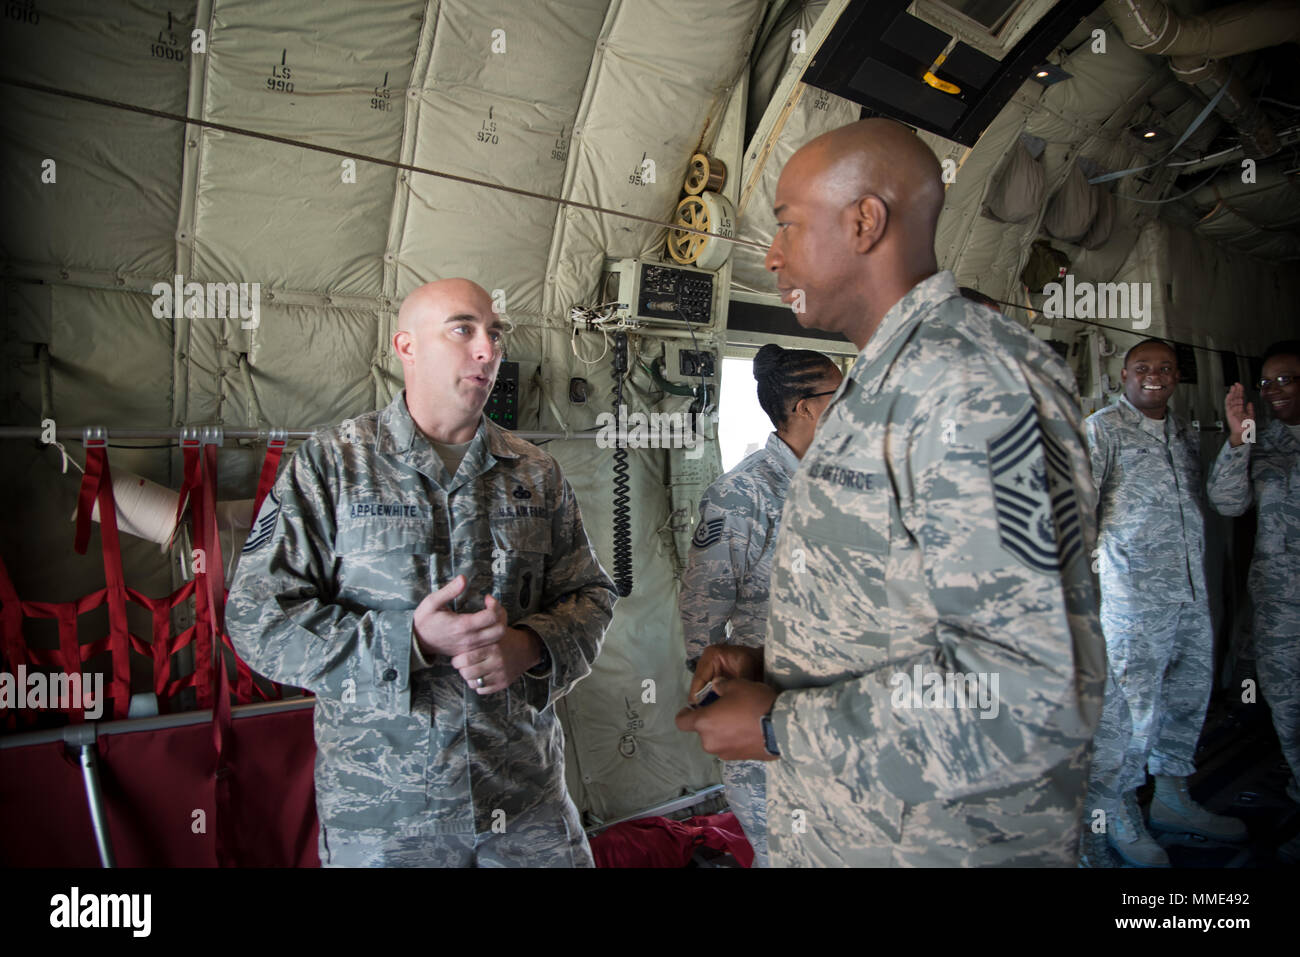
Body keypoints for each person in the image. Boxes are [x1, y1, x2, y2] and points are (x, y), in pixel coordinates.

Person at [677, 118, 1106, 866]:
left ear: (864, 222)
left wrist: (781, 723)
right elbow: (906, 619)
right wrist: (777, 667)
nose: (772, 255)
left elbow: (1029, 691)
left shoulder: (973, 384)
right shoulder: (879, 387)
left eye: (786, 224)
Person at [227, 278, 617, 867]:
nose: (487, 350)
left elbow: (590, 595)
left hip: (523, 800)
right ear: (406, 347)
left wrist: (530, 645)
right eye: (463, 330)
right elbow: (258, 618)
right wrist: (407, 640)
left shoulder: (536, 473)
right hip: (387, 816)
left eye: (495, 334)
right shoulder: (332, 466)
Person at [1083, 338, 1246, 868]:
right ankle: (1118, 812)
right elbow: (1078, 513)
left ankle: (1172, 798)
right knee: (1129, 714)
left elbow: (1221, 501)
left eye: (1166, 368)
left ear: (1178, 377)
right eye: (1143, 367)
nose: (1155, 375)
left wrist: (1238, 441)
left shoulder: (1182, 431)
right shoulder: (1102, 428)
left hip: (1189, 595)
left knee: (1186, 697)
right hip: (1133, 603)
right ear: (1123, 375)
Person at [679, 344, 842, 868]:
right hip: (766, 715)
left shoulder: (847, 482)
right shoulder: (743, 494)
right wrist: (720, 707)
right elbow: (702, 619)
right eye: (843, 393)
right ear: (806, 407)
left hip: (835, 716)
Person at [1208, 339, 1300, 862]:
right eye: (1267, 383)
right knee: (1287, 704)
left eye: (1286, 380)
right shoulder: (1263, 441)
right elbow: (1227, 502)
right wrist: (1238, 440)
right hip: (1281, 601)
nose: (1274, 391)